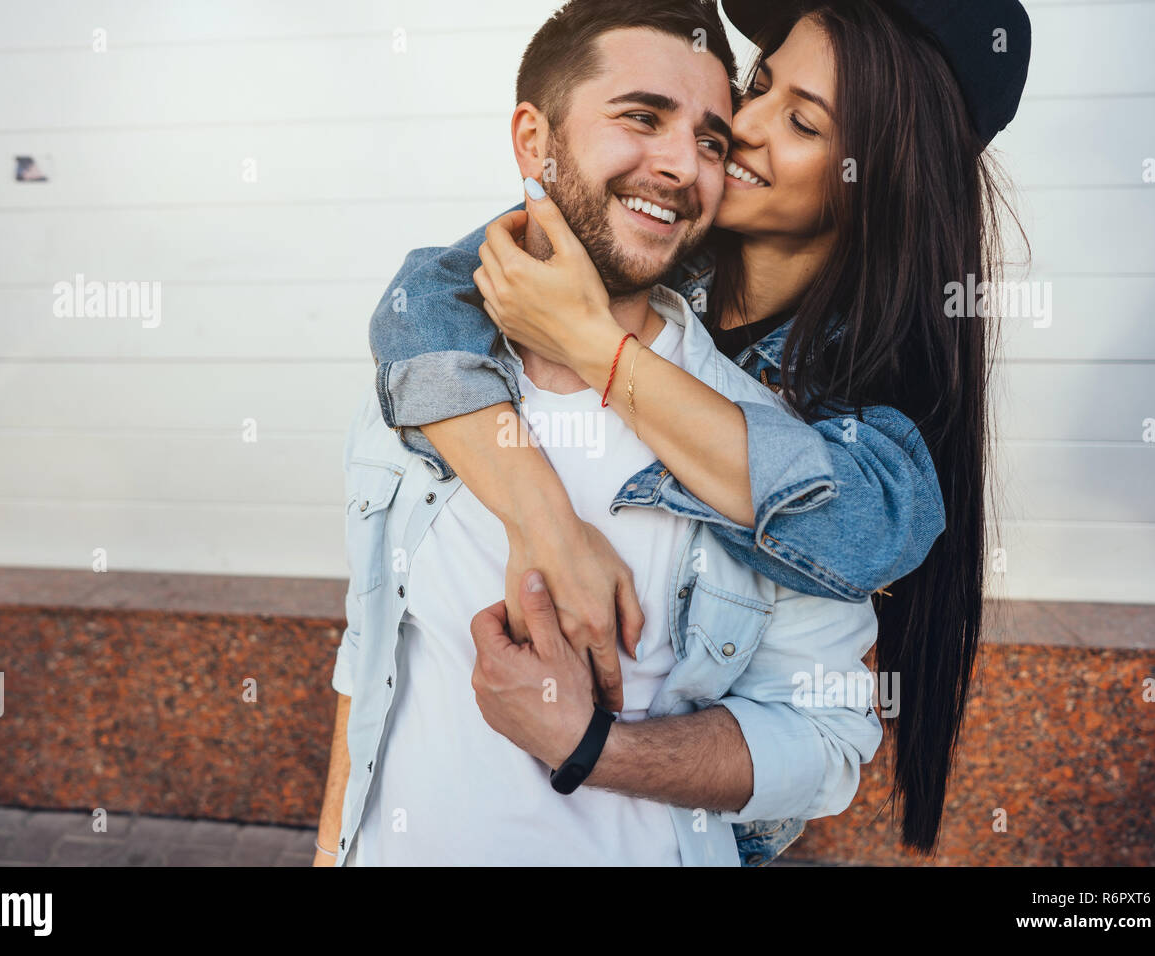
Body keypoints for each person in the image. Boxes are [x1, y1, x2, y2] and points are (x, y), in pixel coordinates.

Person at [353, 0, 1031, 854]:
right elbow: (423, 301)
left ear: (882, 177)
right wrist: (546, 523)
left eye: (801, 122)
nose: (739, 128)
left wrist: (596, 347)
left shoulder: (845, 406)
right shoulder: (642, 242)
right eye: (761, 84)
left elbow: (860, 529)